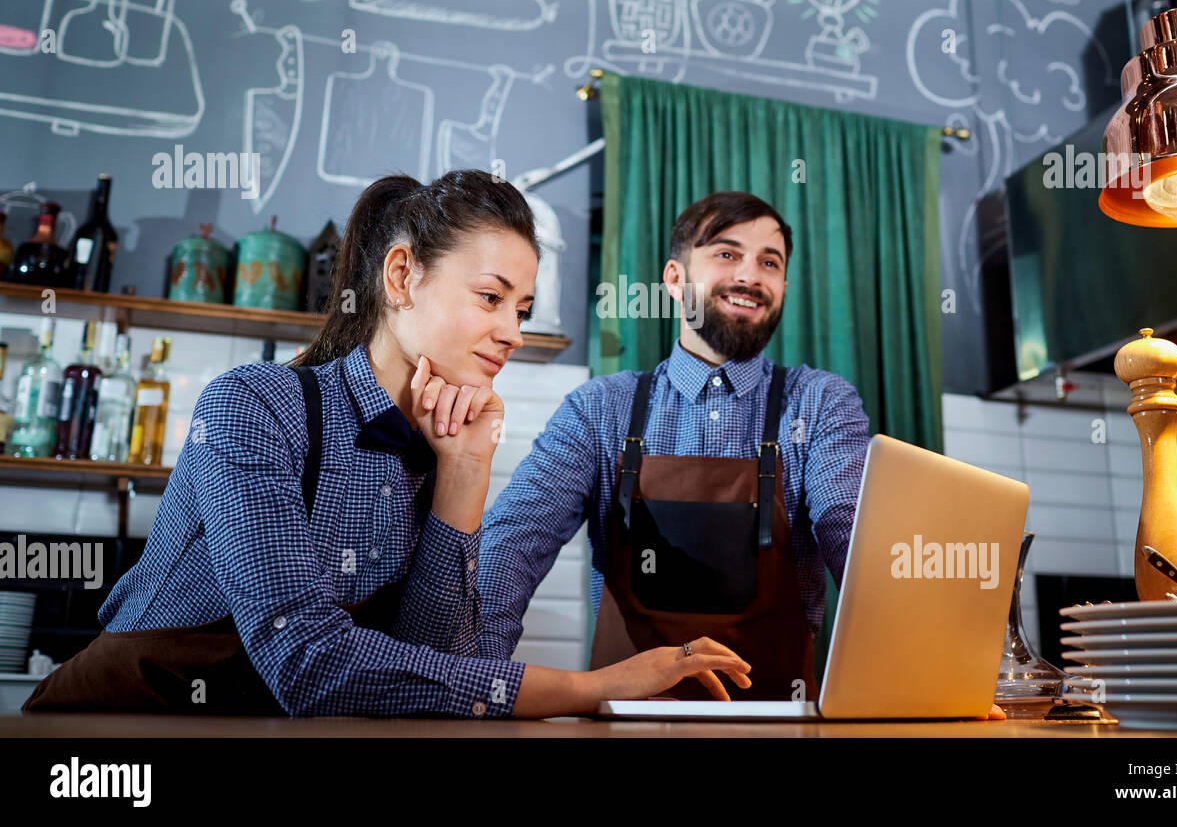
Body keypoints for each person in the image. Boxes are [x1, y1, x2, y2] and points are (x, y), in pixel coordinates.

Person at [23, 171, 750, 718]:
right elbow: (306, 660)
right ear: (401, 276)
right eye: (491, 298)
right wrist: (589, 689)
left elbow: (437, 671)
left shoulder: (442, 447)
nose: (513, 332)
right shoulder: (251, 405)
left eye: (522, 310)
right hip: (115, 739)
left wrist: (464, 474)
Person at [478, 191, 872, 701]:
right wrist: (466, 687)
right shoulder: (598, 408)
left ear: (783, 285)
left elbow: (852, 534)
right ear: (673, 280)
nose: (750, 276)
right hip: (627, 725)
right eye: (726, 254)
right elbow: (510, 548)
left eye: (769, 262)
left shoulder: (820, 403)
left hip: (780, 723)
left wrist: (930, 671)